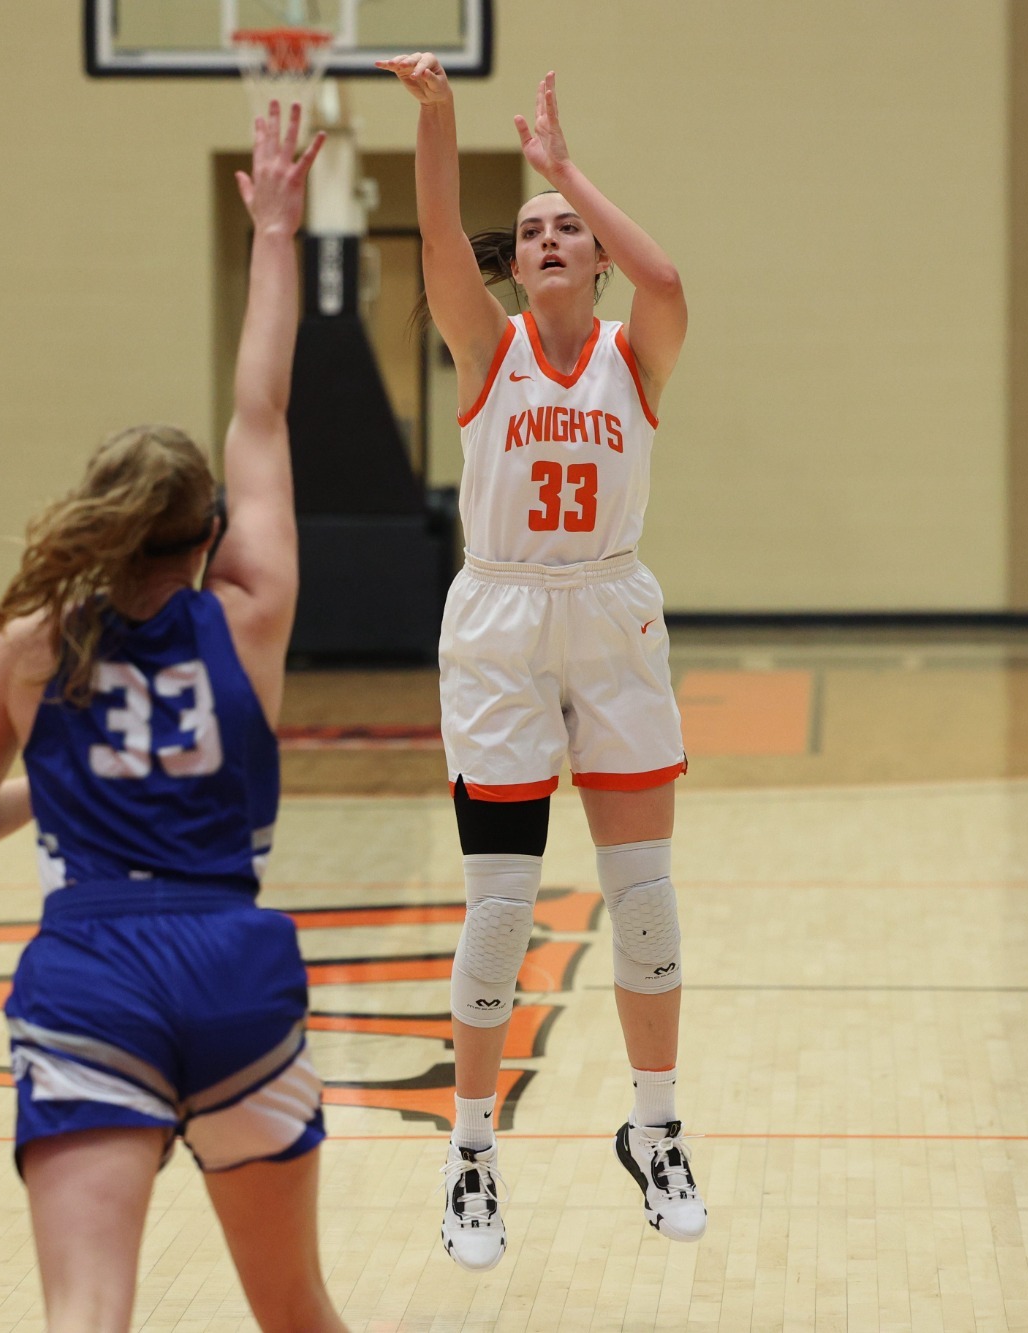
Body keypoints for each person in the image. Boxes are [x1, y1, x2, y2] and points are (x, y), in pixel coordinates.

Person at [0, 104, 346, 1333]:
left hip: (90, 974)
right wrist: (273, 229)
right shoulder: (250, 609)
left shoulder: (28, 647)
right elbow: (260, 410)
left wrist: (49, 794)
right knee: (295, 1307)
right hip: (234, 965)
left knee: (86, 1315)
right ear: (208, 534)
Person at [376, 54, 704, 1271]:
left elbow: (666, 274)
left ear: (597, 254)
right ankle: (470, 1152)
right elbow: (435, 258)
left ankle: (655, 1128)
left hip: (611, 618)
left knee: (646, 902)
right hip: (505, 628)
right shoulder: (486, 352)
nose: (553, 235)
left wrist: (567, 166)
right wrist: (441, 118)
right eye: (532, 227)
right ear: (508, 264)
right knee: (503, 908)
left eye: (570, 227)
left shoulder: (634, 353)